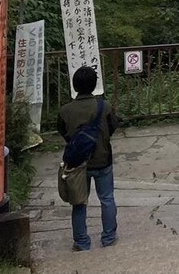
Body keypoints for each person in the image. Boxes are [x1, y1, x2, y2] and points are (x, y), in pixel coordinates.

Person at [57, 65, 120, 250]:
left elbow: (63, 132)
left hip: (77, 164)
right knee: (107, 198)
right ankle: (108, 237)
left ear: (75, 86)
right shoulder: (104, 106)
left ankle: (82, 242)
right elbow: (113, 127)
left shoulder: (65, 110)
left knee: (79, 202)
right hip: (102, 160)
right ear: (94, 86)